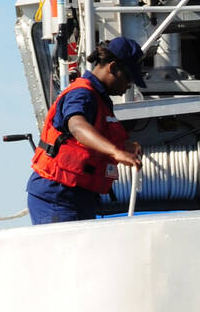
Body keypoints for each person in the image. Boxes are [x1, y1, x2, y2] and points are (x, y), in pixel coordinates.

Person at [27, 37, 144, 224]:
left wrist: (124, 146)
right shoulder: (82, 93)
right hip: (58, 195)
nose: (129, 85)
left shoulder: (98, 98)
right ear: (113, 68)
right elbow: (77, 126)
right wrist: (115, 152)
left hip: (78, 196)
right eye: (129, 78)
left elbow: (89, 140)